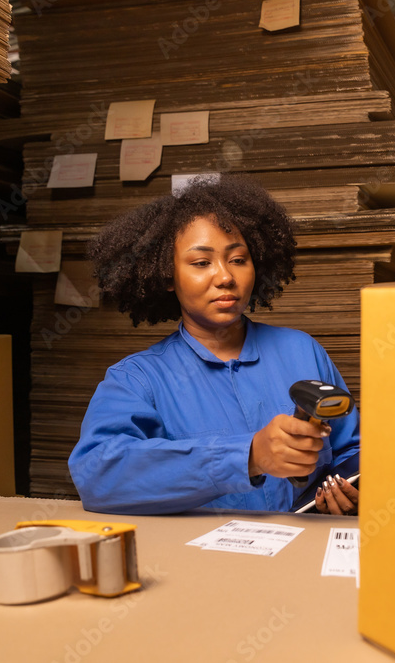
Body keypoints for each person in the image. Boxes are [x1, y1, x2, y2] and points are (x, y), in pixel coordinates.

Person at [68, 175, 360, 516]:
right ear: (166, 276)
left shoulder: (302, 351)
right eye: (201, 262)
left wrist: (347, 492)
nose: (225, 277)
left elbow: (349, 449)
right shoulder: (137, 379)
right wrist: (248, 456)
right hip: (205, 563)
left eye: (238, 259)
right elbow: (98, 475)